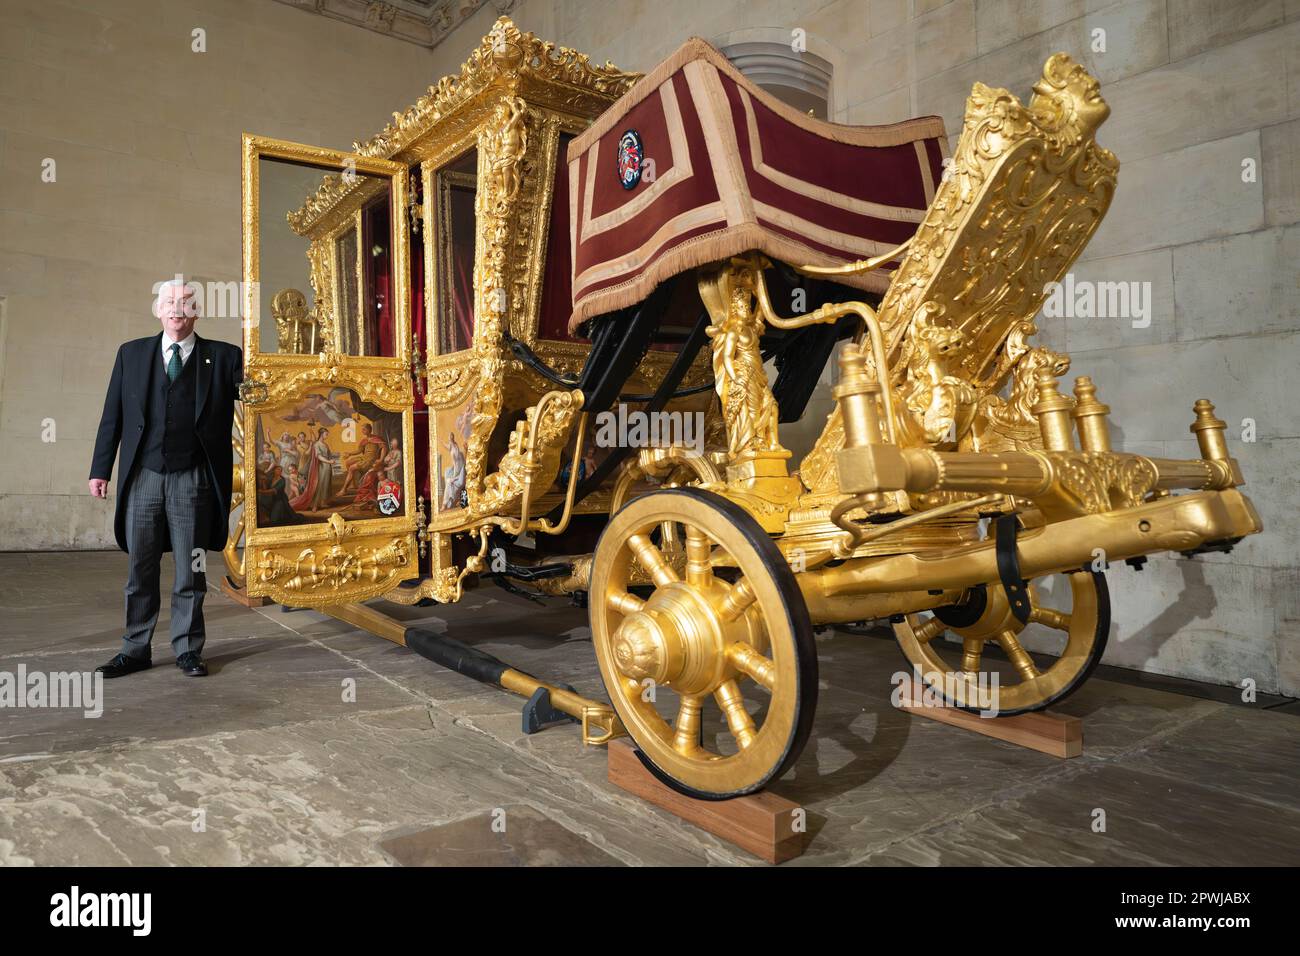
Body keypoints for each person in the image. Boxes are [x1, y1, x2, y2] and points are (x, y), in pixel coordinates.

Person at [88, 278, 243, 679]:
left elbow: (263, 394)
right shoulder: (132, 354)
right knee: (141, 567)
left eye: (186, 302)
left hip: (192, 479)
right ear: (158, 309)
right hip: (143, 477)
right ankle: (134, 649)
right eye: (170, 301)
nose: (177, 308)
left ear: (197, 311)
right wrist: (100, 470)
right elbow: (113, 417)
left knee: (191, 570)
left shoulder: (224, 357)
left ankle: (188, 649)